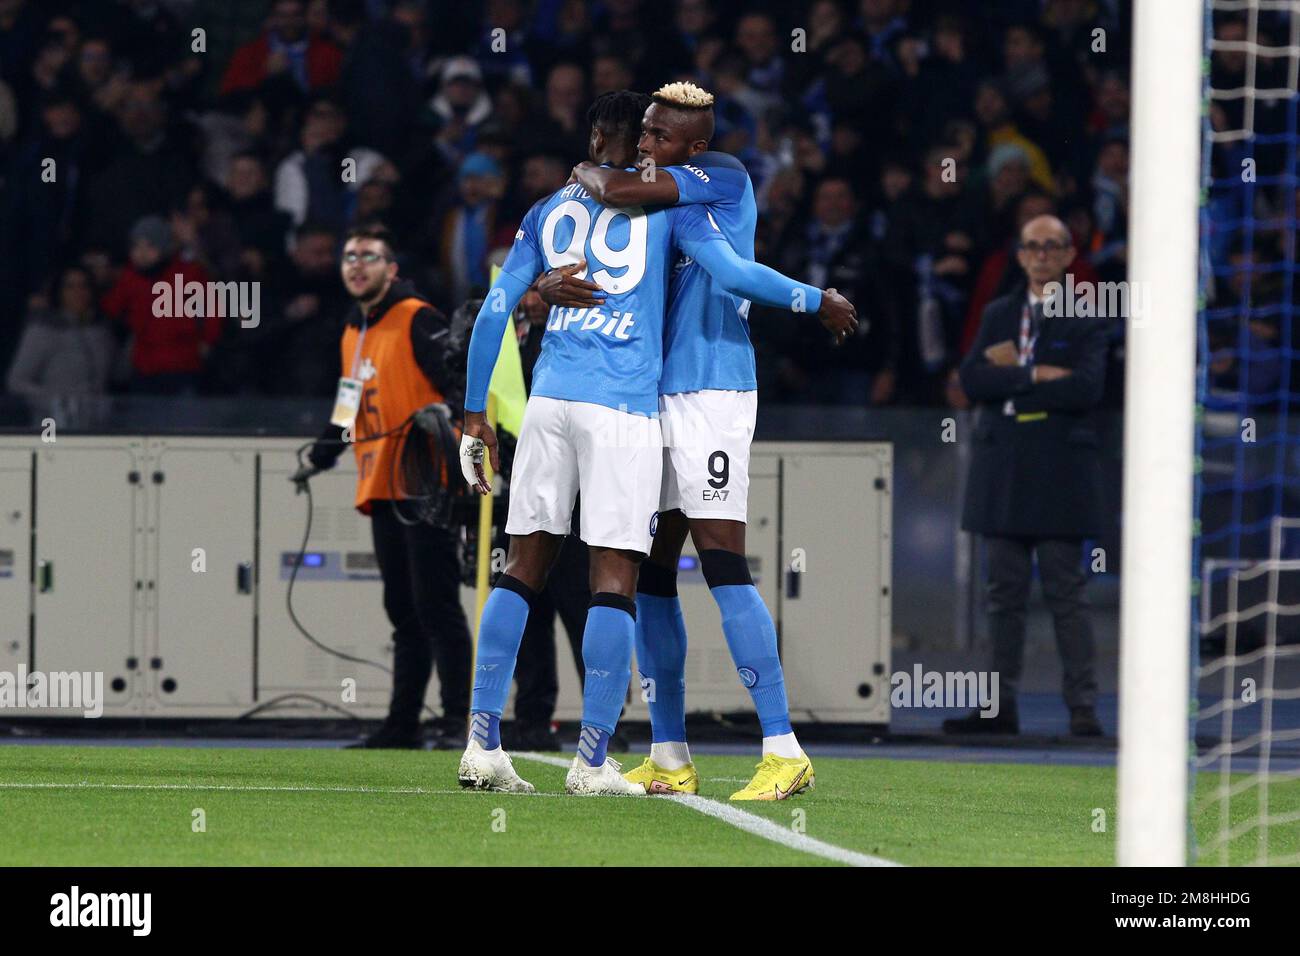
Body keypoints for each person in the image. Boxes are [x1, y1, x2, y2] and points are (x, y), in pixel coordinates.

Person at [456, 89, 854, 796]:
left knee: (720, 561)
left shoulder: (712, 181)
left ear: (692, 147)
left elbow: (732, 274)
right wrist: (549, 281)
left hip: (707, 389)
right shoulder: (656, 206)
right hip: (641, 399)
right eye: (642, 131)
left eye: (661, 135)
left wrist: (814, 297)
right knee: (651, 576)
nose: (648, 143)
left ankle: (782, 746)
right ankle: (667, 752)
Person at [298, 223, 472, 750]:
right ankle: (402, 724)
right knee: (403, 610)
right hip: (380, 484)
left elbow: (458, 381)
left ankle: (457, 722)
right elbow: (349, 407)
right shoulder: (354, 331)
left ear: (391, 269)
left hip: (425, 483)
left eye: (369, 257)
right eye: (349, 256)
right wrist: (322, 454)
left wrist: (459, 430)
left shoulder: (417, 317)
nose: (356, 265)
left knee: (437, 606)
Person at [945, 214, 1107, 737]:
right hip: (1005, 467)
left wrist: (1007, 384)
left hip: (1060, 469)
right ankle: (998, 707)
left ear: (1067, 256)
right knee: (1003, 596)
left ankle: (1082, 708)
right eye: (1032, 246)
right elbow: (971, 378)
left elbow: (1085, 388)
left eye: (1052, 246)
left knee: (1067, 594)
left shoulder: (1087, 316)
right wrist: (1035, 375)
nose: (1040, 255)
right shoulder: (999, 312)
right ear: (1020, 256)